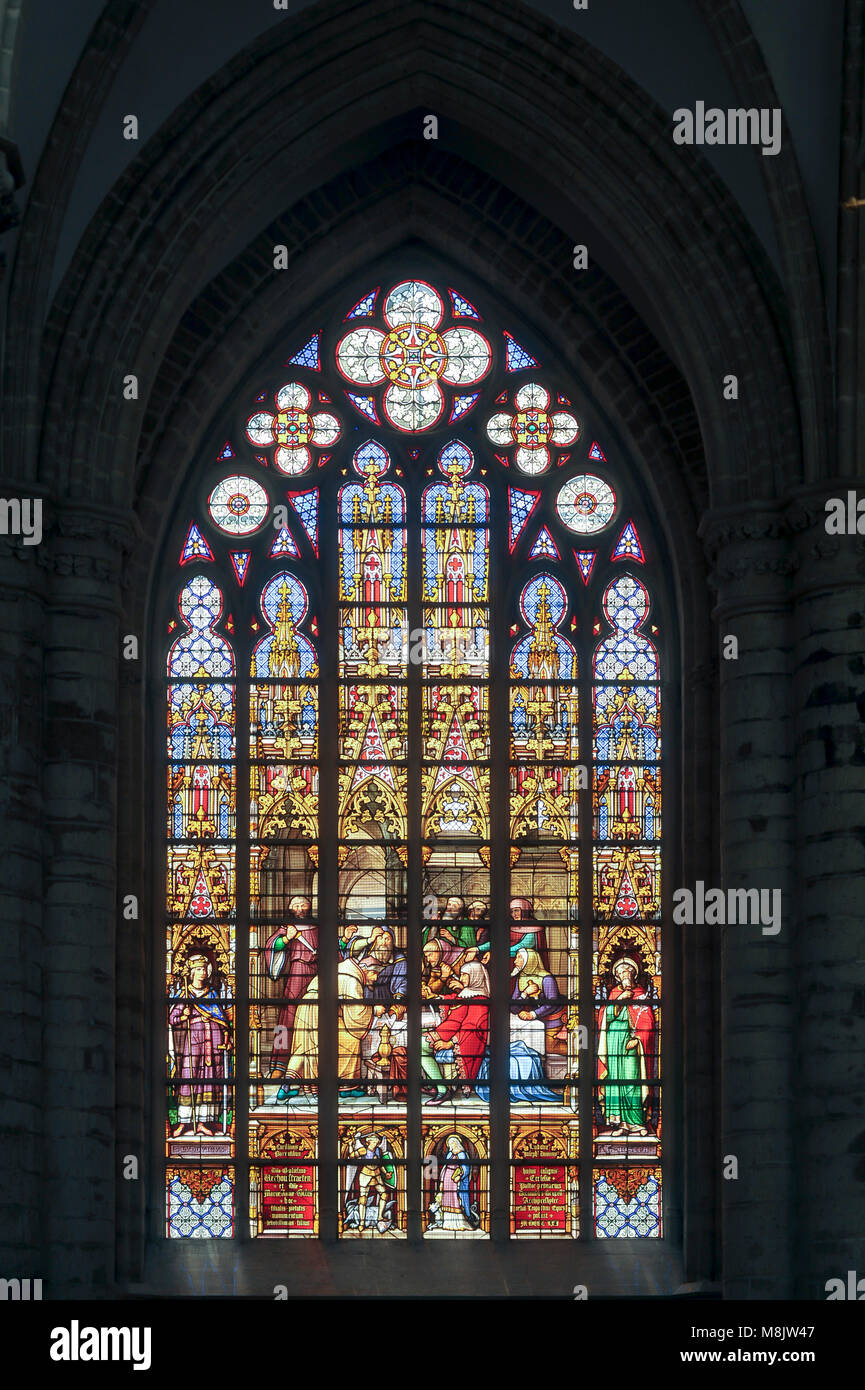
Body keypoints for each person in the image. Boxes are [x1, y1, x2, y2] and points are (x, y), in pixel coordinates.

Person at [169, 948, 232, 1136]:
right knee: (189, 1079)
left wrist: (227, 1036)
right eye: (199, 969)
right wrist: (183, 1016)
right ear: (192, 972)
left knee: (208, 1080)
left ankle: (203, 1122)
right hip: (192, 1040)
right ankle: (184, 1121)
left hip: (212, 1040)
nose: (203, 972)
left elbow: (223, 1020)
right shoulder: (184, 995)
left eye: (205, 969)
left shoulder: (212, 995)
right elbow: (172, 1019)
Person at [264, 895, 317, 1098]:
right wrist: (286, 938)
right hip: (297, 974)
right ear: (289, 908)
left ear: (309, 907)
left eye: (303, 904)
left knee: (315, 1019)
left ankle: (311, 1069)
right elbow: (272, 946)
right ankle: (279, 1065)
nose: (300, 907)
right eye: (295, 905)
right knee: (287, 1019)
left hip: (318, 975)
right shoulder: (287, 928)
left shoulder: (318, 927)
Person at [596, 956, 656, 1137]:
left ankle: (638, 1122)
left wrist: (637, 1039)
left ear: (634, 974)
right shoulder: (614, 993)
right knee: (616, 1082)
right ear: (616, 976)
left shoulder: (641, 993)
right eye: (621, 972)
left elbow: (648, 1022)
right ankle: (621, 1123)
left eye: (628, 971)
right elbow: (604, 1016)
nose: (625, 974)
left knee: (632, 1081)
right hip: (614, 1043)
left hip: (632, 1047)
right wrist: (620, 1000)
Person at [423, 960, 489, 1103]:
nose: (462, 978)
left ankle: (442, 1090)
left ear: (476, 977)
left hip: (452, 1035)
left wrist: (449, 1044)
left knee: (418, 1047)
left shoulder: (480, 999)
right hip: (447, 1030)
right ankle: (434, 1085)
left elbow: (472, 1027)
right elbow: (454, 1001)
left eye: (466, 975)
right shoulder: (467, 993)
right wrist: (435, 996)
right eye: (462, 975)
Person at [428, 1134, 479, 1232]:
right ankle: (447, 1223)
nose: (451, 1145)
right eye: (450, 1143)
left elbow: (466, 1168)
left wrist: (460, 1176)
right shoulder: (449, 1154)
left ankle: (459, 1223)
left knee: (456, 1199)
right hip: (447, 1177)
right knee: (446, 1198)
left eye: (453, 1143)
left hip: (456, 1180)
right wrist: (442, 1181)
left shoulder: (462, 1154)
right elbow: (445, 1167)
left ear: (457, 1143)